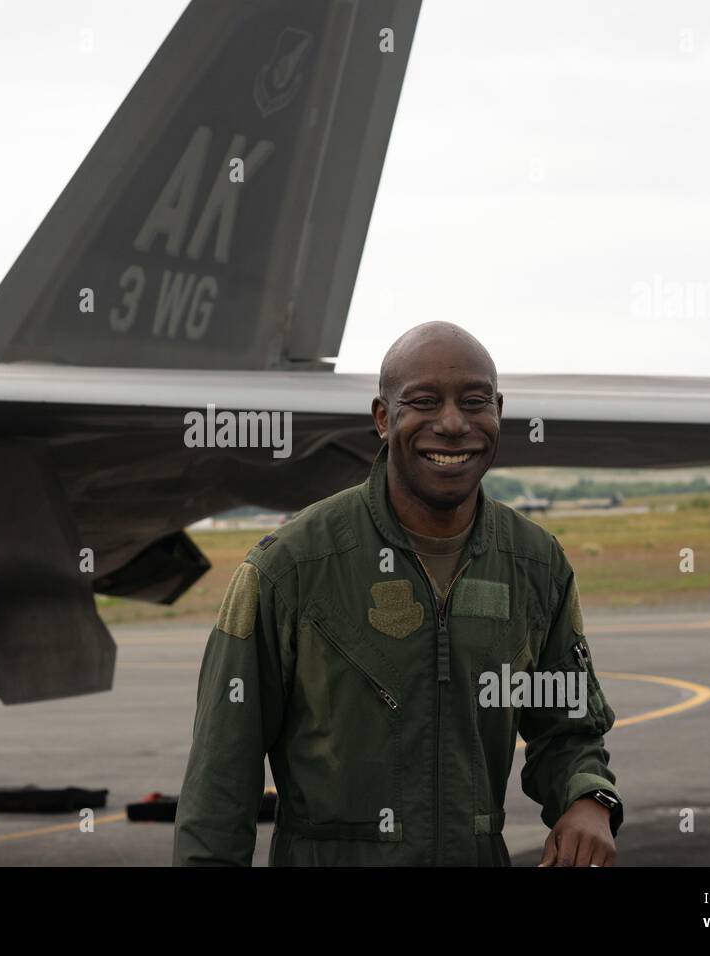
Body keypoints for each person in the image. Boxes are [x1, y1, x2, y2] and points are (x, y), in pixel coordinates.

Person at [172, 321, 621, 866]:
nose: (453, 424)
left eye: (475, 401)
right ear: (384, 418)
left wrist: (588, 797)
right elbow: (222, 775)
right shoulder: (289, 568)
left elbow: (566, 726)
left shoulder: (535, 564)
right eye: (424, 402)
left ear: (499, 411)